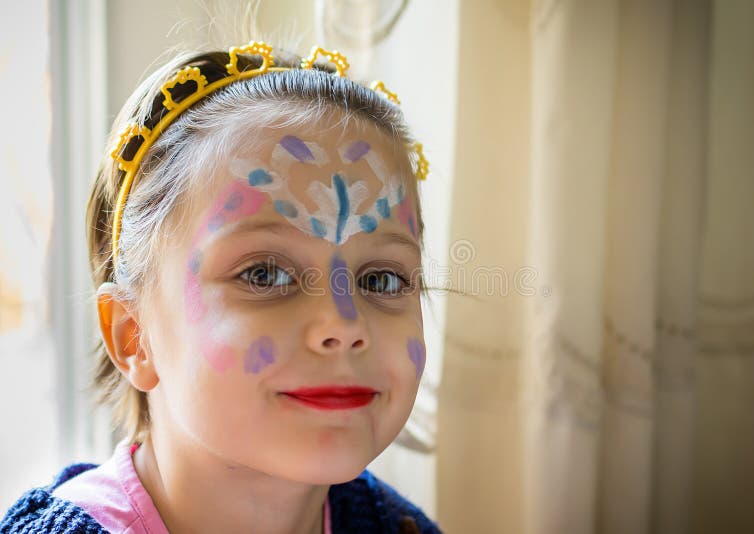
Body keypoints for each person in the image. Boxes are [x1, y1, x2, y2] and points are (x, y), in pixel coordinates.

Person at [1, 40, 439, 534]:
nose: (344, 323)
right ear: (133, 336)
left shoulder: (398, 526)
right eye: (265, 274)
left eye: (380, 279)